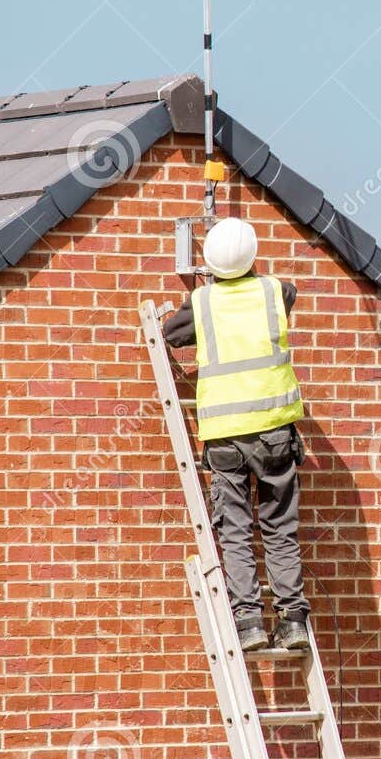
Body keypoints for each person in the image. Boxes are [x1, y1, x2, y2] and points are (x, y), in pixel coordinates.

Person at [162, 217, 309, 653]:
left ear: (209, 263)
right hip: (275, 434)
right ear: (252, 255)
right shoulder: (275, 291)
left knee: (236, 531)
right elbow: (283, 295)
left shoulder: (203, 302)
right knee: (280, 527)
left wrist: (203, 286)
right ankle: (293, 619)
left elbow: (173, 334)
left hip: (226, 438)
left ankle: (248, 622)